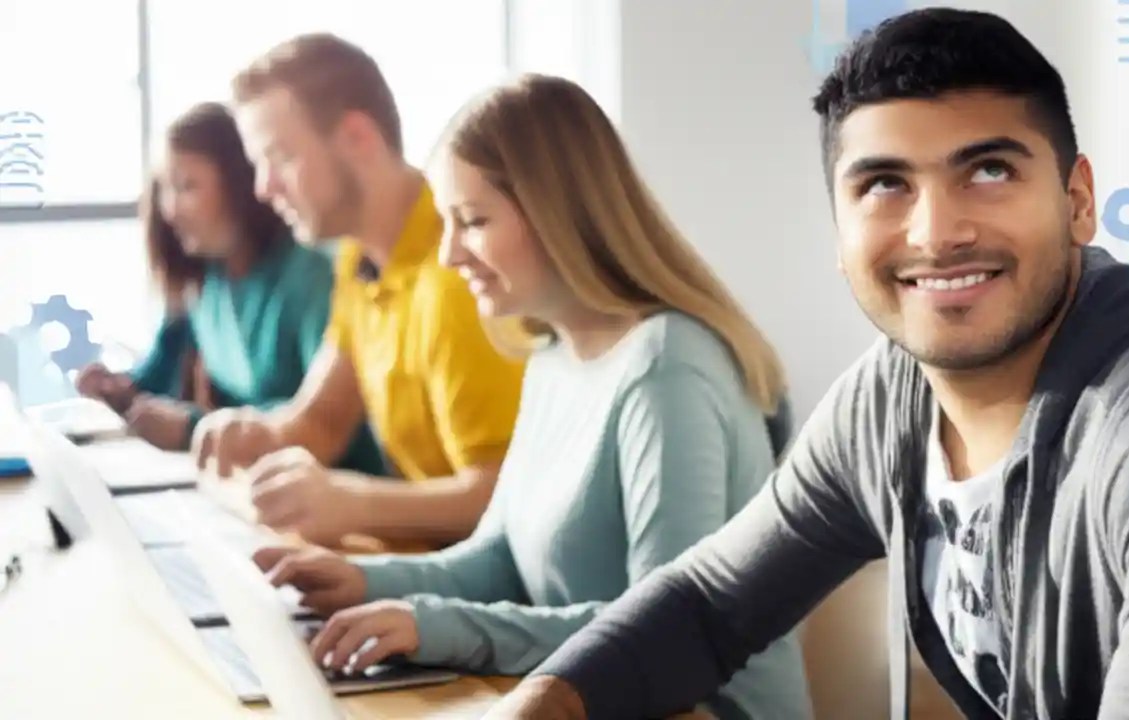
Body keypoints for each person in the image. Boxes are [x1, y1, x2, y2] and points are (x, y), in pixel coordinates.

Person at [484, 8, 1129, 720]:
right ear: (839, 231)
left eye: (989, 170)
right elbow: (708, 604)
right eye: (885, 184)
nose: (937, 232)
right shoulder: (888, 397)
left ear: (1077, 201)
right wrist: (540, 704)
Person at [249, 73, 814, 719]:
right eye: (446, 223)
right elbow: (498, 561)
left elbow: (660, 634)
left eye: (473, 221)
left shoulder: (667, 369)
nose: (450, 254)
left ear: (560, 213)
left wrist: (433, 626)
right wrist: (363, 582)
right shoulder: (552, 356)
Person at [190, 33, 526, 547]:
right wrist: (257, 431)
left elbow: (504, 496)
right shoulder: (360, 259)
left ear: (357, 138)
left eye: (279, 157)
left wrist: (352, 504)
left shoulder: (458, 278)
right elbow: (320, 422)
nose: (263, 188)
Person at [75, 102, 382, 473]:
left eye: (187, 186)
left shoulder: (313, 273)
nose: (169, 210)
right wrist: (119, 391)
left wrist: (195, 426)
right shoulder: (203, 280)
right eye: (164, 190)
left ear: (241, 183)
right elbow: (157, 374)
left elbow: (318, 417)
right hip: (256, 480)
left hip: (336, 485)